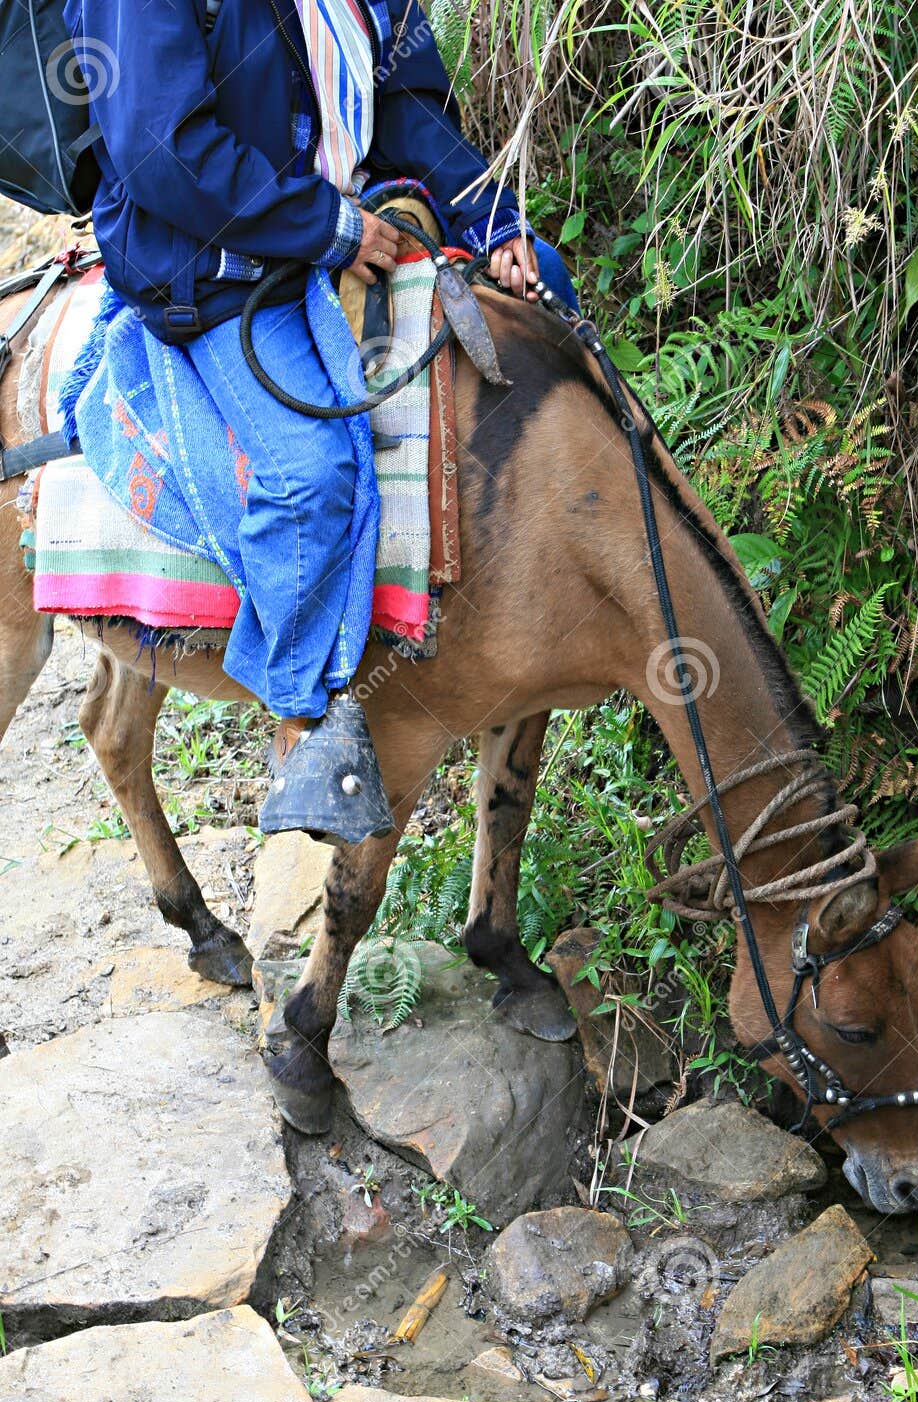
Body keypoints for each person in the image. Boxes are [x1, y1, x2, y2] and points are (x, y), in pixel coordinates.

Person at [66, 0, 578, 845]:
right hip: (218, 253)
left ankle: (520, 608)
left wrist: (497, 223)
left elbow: (409, 108)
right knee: (311, 476)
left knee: (544, 303)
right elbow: (163, 149)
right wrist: (328, 228)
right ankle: (302, 722)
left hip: (345, 219)